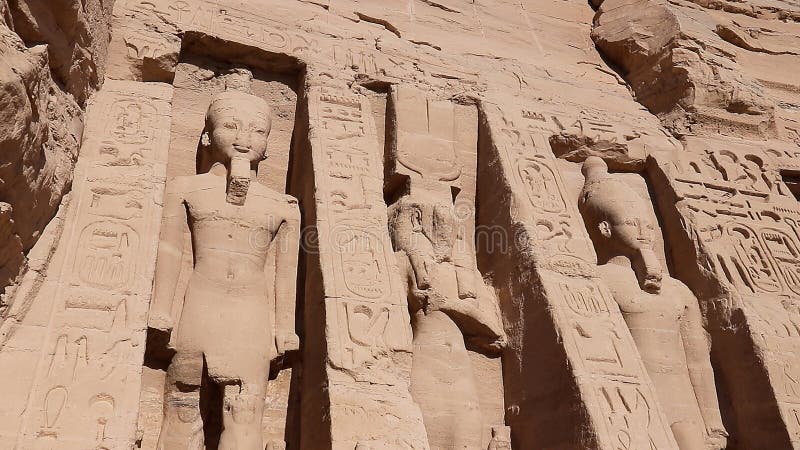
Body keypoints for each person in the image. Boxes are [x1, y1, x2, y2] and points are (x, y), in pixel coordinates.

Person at [148, 90, 300, 450]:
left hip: (251, 310)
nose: (244, 138)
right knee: (184, 404)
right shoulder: (186, 189)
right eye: (231, 125)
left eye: (257, 131)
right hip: (199, 303)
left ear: (268, 147)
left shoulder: (283, 206)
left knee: (245, 410)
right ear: (206, 135)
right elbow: (171, 252)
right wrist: (161, 308)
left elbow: (285, 271)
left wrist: (285, 327)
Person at [579, 156, 727, 449]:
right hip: (631, 406)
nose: (645, 231)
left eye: (648, 225)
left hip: (687, 411)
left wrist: (714, 425)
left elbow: (698, 362)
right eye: (633, 223)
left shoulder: (679, 292)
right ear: (605, 229)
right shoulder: (599, 280)